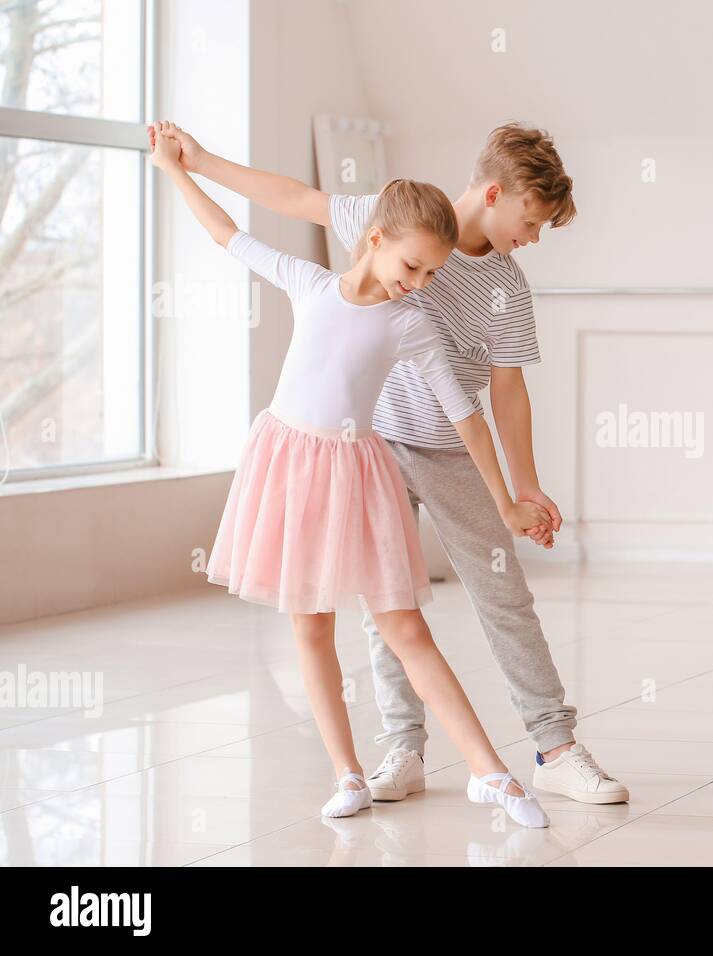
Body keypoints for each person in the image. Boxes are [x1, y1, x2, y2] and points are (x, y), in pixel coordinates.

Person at [154, 120, 630, 805]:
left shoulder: (507, 289)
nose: (530, 239)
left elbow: (504, 390)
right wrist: (197, 162)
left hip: (447, 447)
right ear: (493, 193)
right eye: (529, 222)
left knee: (503, 596)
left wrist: (520, 488)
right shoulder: (393, 214)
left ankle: (554, 747)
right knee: (388, 610)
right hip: (365, 448)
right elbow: (292, 200)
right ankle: (402, 748)